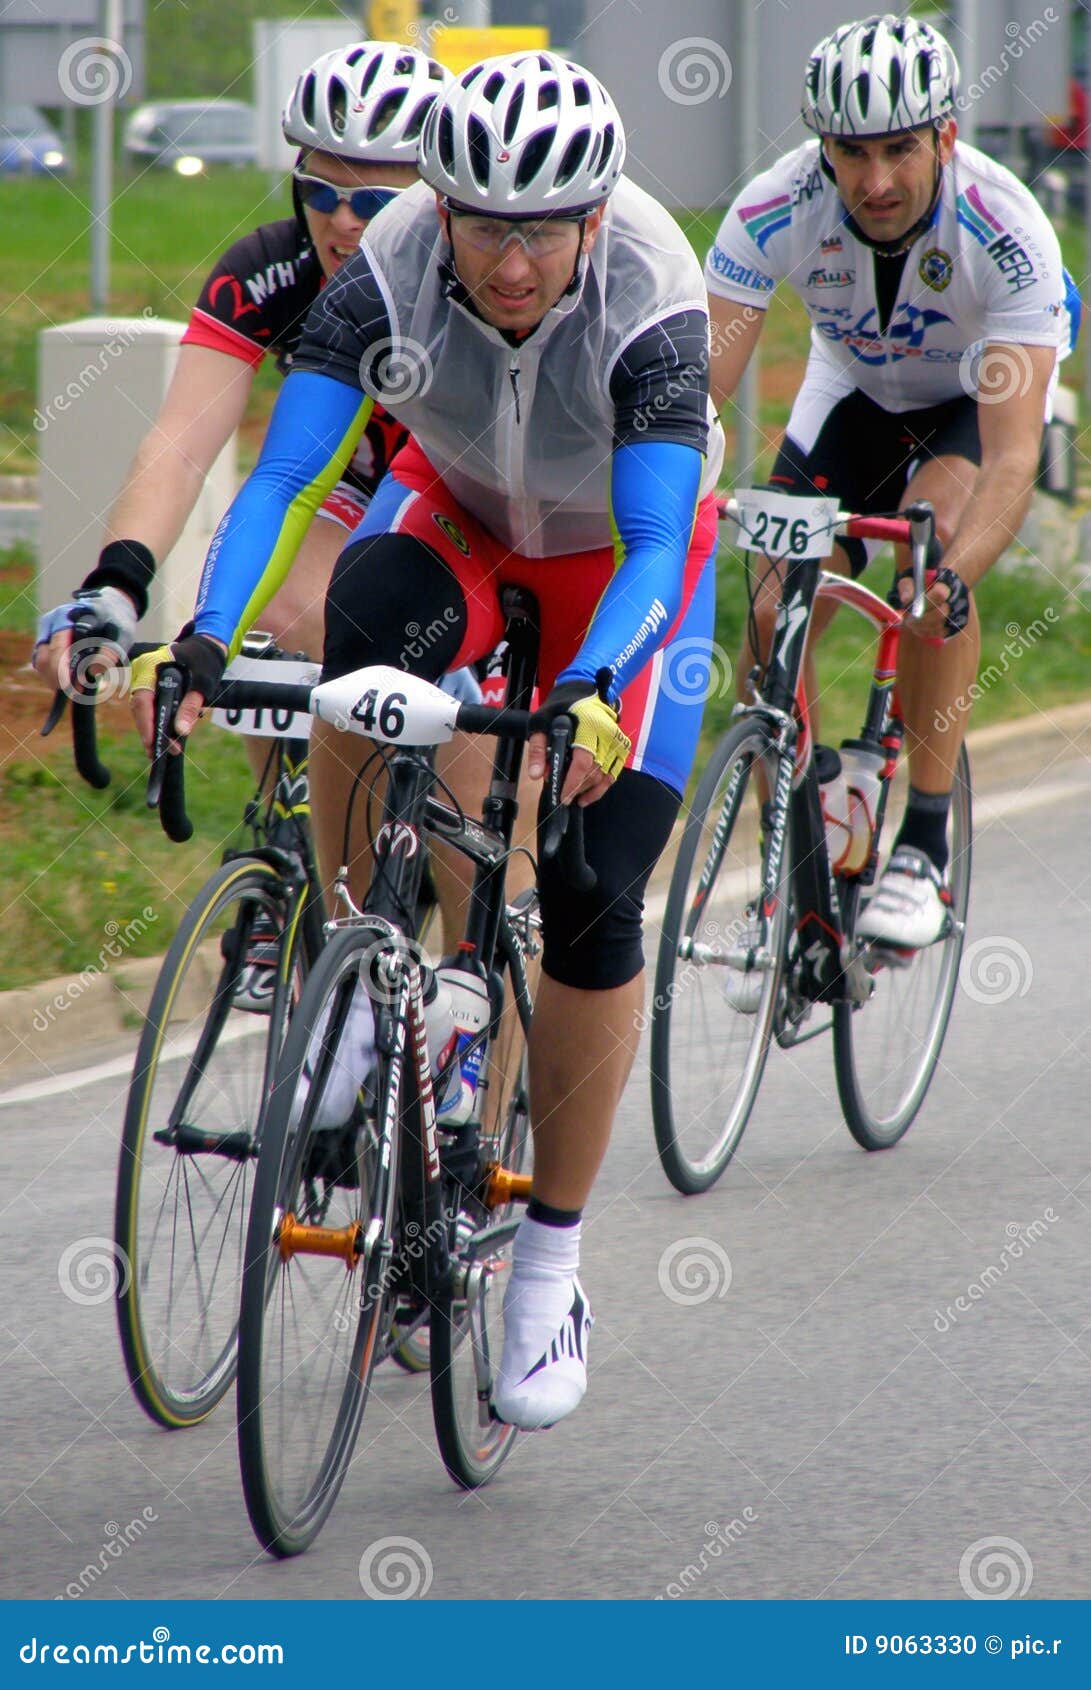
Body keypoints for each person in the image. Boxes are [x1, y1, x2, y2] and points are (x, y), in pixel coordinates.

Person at [129, 50, 725, 1429]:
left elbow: (651, 544)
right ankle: (360, 961)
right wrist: (208, 638)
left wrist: (587, 685)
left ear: (593, 214)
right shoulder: (392, 259)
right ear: (438, 206)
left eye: (541, 230)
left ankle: (550, 1263)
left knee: (589, 890)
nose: (509, 264)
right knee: (360, 641)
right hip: (453, 516)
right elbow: (282, 474)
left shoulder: (650, 292)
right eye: (481, 225)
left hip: (613, 569)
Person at [31, 41, 455, 1001]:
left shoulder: (467, 270)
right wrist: (115, 583)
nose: (343, 223)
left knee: (477, 801)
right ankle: (293, 841)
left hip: (472, 489)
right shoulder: (269, 269)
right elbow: (180, 444)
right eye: (320, 191)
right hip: (346, 479)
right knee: (274, 618)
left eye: (376, 203)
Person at [706, 12, 1078, 948]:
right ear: (819, 147)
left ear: (945, 135)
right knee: (767, 613)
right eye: (850, 152)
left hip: (971, 393)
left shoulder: (1008, 230)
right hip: (855, 388)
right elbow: (694, 400)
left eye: (899, 150)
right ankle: (800, 856)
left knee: (926, 562)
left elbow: (1008, 463)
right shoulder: (771, 207)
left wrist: (953, 576)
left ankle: (920, 844)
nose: (873, 181)